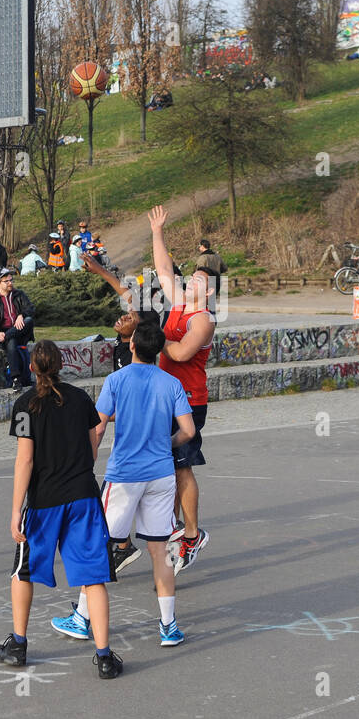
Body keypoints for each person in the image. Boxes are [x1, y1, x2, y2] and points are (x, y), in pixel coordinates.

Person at [51, 321, 196, 648]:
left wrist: (85, 463)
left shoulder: (115, 380)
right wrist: (164, 443)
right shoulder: (171, 383)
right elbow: (187, 431)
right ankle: (169, 626)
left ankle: (82, 618)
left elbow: (98, 428)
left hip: (125, 475)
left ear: (131, 345)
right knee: (161, 551)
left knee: (98, 545)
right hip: (161, 474)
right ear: (159, 351)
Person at [0, 341, 121, 678]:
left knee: (23, 570)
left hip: (44, 500)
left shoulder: (25, 404)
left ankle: (18, 644)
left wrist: (14, 509)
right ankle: (105, 657)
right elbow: (94, 444)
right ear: (62, 365)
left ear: (32, 367)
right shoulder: (80, 398)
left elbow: (25, 459)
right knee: (94, 577)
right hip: (83, 496)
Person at [149, 205, 215, 574]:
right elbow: (162, 268)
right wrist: (158, 231)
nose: (190, 282)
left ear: (209, 293)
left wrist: (151, 340)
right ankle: (170, 527)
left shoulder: (202, 320)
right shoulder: (180, 304)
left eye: (198, 282)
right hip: (168, 397)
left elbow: (178, 351)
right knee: (167, 466)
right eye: (190, 278)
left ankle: (192, 534)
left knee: (182, 466)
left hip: (190, 402)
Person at [0, 268, 36, 389]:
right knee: (11, 342)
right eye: (6, 281)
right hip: (3, 333)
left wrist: (21, 315)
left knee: (29, 320)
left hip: (21, 331)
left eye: (11, 280)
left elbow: (30, 309)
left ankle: (0, 340)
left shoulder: (19, 294)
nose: (10, 283)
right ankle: (16, 379)